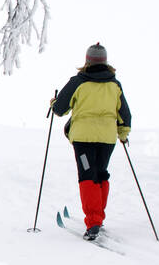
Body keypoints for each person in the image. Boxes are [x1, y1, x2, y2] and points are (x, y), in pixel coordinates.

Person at [51, 43, 132, 240]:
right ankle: (98, 218)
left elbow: (60, 109)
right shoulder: (115, 84)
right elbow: (125, 114)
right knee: (101, 174)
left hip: (83, 139)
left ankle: (94, 221)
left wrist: (53, 103)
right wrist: (123, 133)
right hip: (106, 139)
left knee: (87, 176)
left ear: (87, 60)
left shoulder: (78, 82)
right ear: (105, 61)